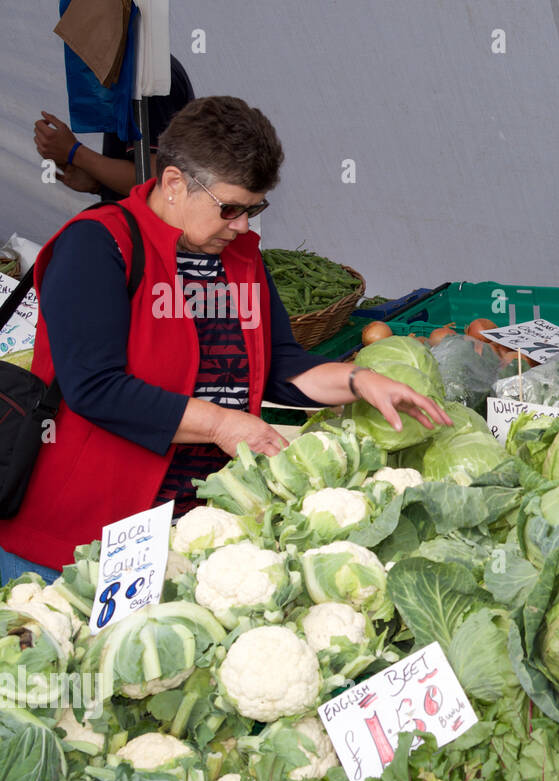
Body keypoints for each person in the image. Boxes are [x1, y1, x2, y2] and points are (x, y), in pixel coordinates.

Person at [0, 95, 452, 585]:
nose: (241, 226)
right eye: (230, 208)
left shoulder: (238, 257)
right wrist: (219, 424)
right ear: (174, 183)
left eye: (253, 208)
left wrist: (360, 380)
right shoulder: (97, 245)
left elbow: (277, 362)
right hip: (82, 537)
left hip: (197, 530)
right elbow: (95, 386)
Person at [33, 55, 195, 201]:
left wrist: (74, 152)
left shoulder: (146, 79)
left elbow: (154, 179)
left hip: (147, 231)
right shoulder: (138, 70)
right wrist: (99, 183)